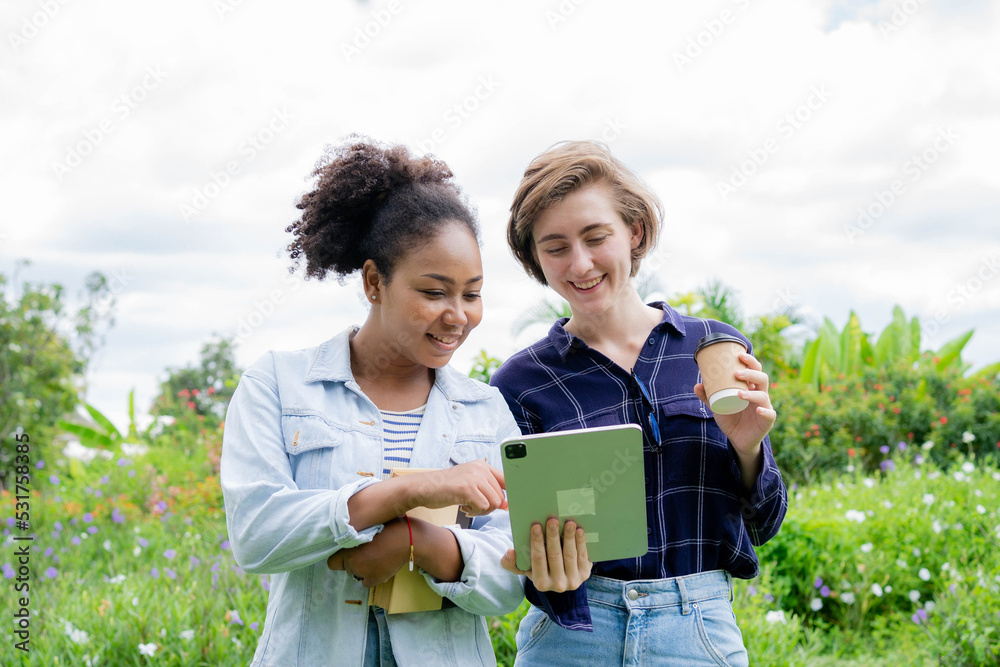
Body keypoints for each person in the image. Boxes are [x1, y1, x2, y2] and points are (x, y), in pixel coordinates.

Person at [220, 138, 524, 667]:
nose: (458, 316)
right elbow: (256, 535)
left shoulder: (486, 411)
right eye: (434, 292)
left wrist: (420, 542)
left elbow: (509, 580)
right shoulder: (278, 384)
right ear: (374, 282)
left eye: (472, 294)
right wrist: (409, 491)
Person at [491, 140, 788, 666]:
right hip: (572, 637)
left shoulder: (714, 349)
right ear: (535, 258)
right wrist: (543, 569)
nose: (580, 263)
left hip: (697, 632)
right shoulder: (520, 383)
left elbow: (764, 524)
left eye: (595, 237)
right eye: (555, 247)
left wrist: (748, 450)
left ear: (634, 232)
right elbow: (507, 540)